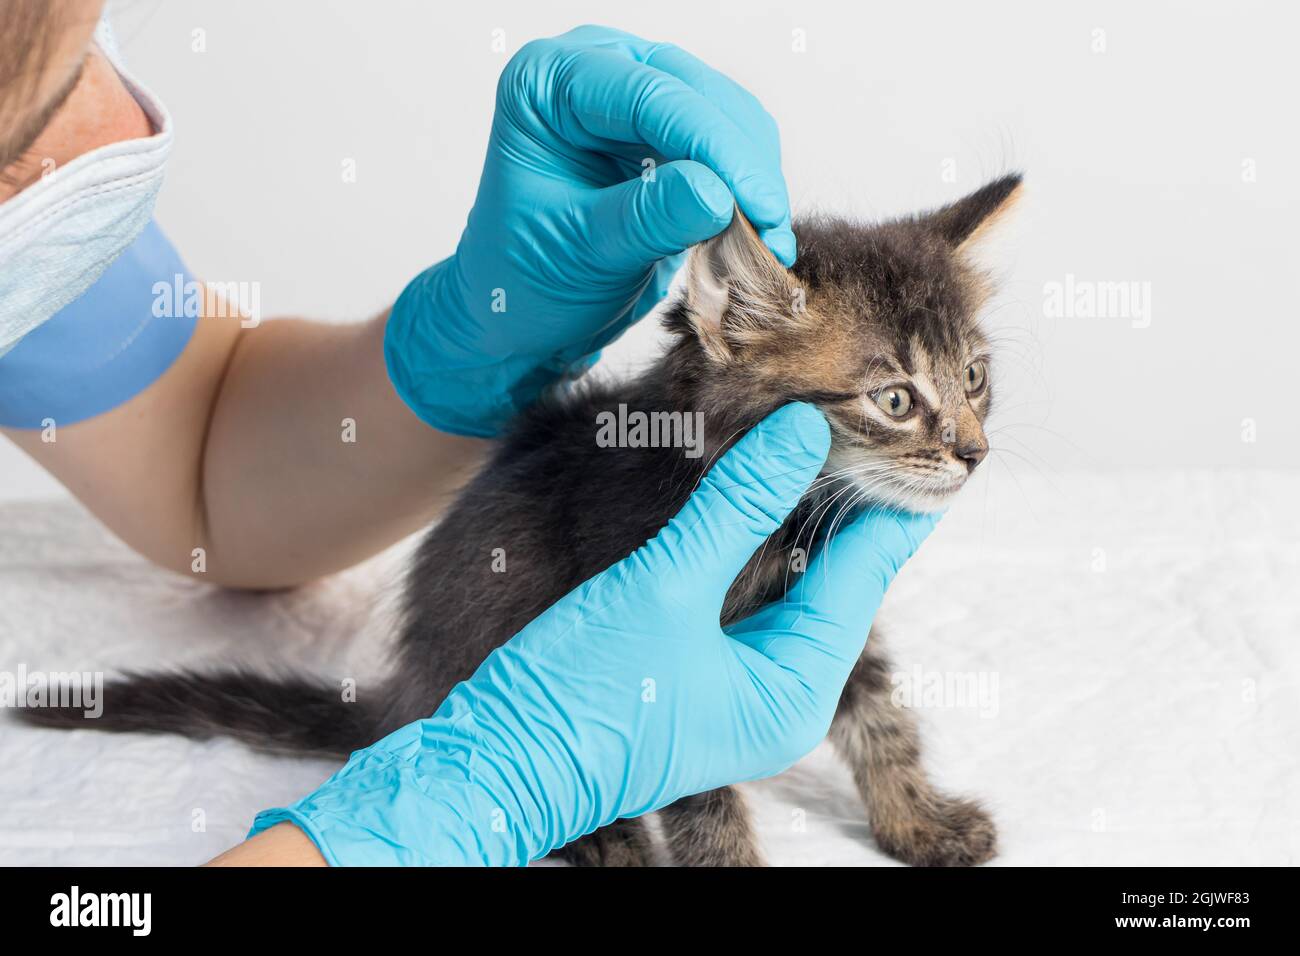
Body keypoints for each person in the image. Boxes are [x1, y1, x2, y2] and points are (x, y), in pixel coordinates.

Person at [0, 1, 938, 866]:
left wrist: (468, 347)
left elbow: (194, 450)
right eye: (55, 87)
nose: (128, 118)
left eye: (97, 39)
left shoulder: (44, 250)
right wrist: (442, 810)